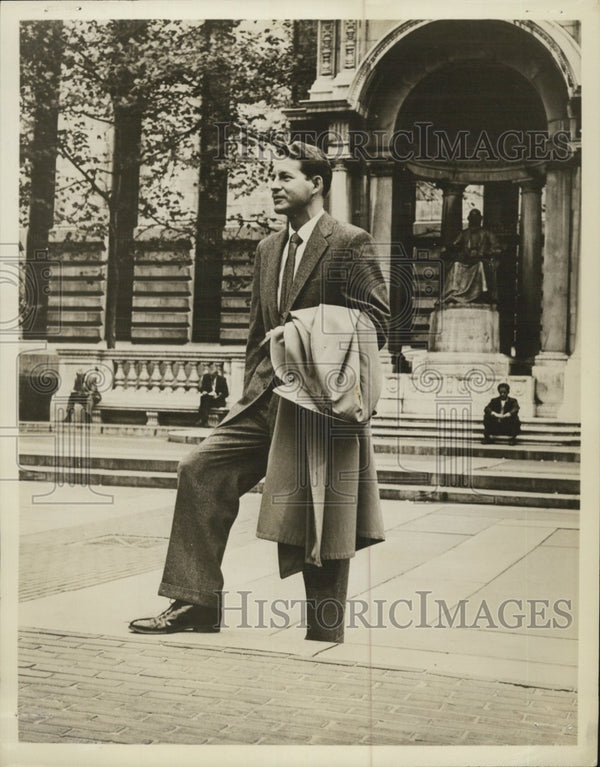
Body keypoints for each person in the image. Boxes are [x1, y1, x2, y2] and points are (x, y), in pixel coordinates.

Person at [129, 142, 390, 643]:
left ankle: (324, 629)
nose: (274, 184)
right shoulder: (268, 248)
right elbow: (255, 333)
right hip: (265, 401)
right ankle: (195, 602)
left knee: (321, 514)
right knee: (199, 469)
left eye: (286, 177)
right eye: (272, 176)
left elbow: (376, 321)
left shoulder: (350, 242)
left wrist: (300, 330)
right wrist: (246, 393)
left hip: (319, 403)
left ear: (316, 184)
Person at [440, 208, 502, 305]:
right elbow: (455, 245)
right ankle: (455, 293)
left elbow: (497, 248)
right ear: (469, 219)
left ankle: (481, 294)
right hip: (466, 260)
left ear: (480, 219)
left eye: (476, 218)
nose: (474, 220)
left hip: (482, 260)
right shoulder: (464, 233)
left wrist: (485, 252)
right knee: (456, 265)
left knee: (480, 266)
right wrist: (447, 248)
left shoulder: (487, 233)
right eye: (472, 218)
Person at [196, 361, 229, 427]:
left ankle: (202, 420)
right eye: (210, 376)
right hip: (209, 398)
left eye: (213, 376)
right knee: (204, 398)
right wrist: (203, 391)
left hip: (218, 400)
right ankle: (204, 420)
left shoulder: (222, 379)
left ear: (216, 374)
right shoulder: (206, 377)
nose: (211, 378)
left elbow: (226, 393)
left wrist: (218, 396)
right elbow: (201, 389)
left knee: (204, 401)